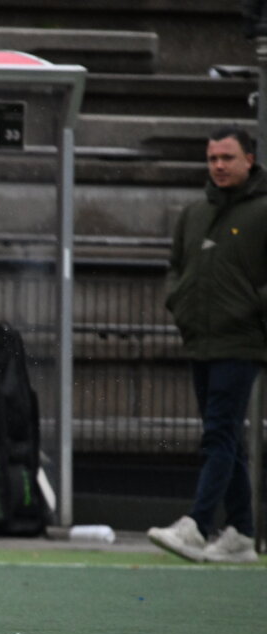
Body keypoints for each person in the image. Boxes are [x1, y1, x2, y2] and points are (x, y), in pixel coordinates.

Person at [147, 126, 266, 563]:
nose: (218, 165)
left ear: (249, 159)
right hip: (201, 339)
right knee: (227, 436)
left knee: (218, 433)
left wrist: (252, 309)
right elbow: (175, 267)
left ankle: (197, 524)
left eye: (228, 157)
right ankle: (242, 533)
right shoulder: (194, 212)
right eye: (213, 157)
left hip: (241, 340)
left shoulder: (262, 211)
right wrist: (178, 300)